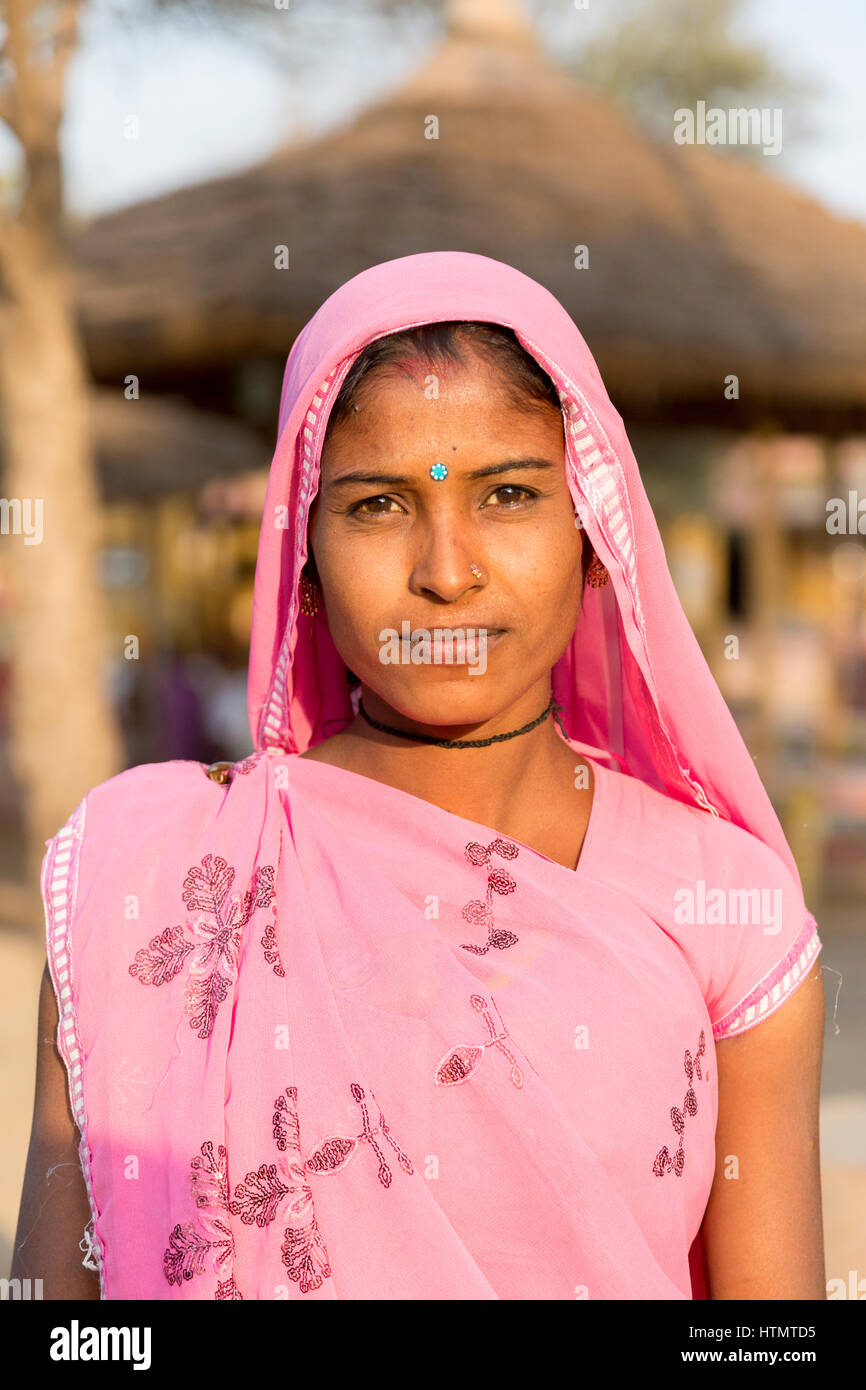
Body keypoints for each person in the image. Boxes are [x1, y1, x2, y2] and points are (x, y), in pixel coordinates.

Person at [13, 251, 825, 1300]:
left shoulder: (727, 916)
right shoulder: (152, 876)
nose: (446, 571)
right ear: (298, 558)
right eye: (378, 506)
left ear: (591, 539)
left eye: (508, 494)